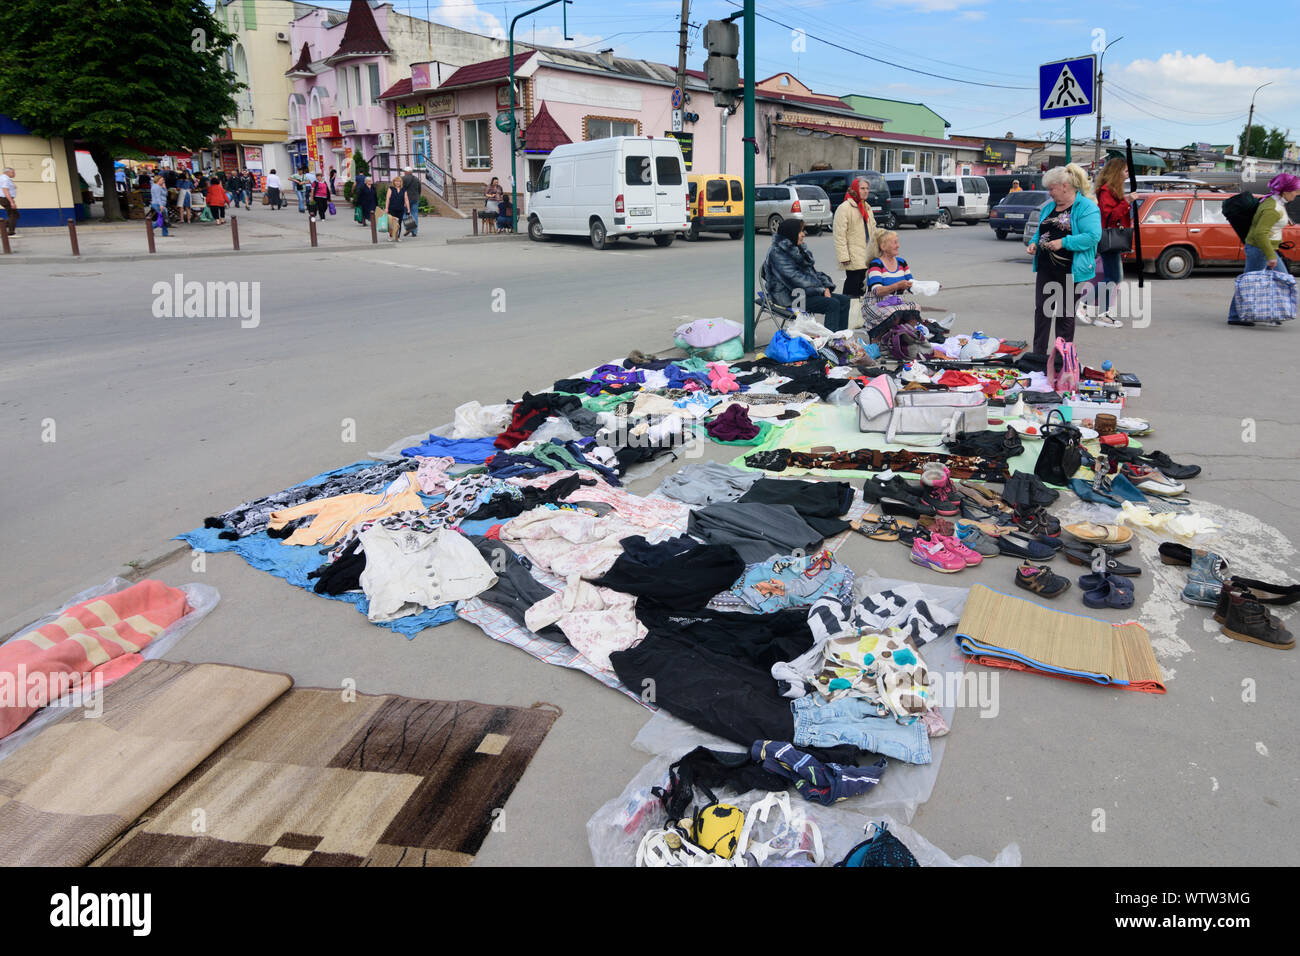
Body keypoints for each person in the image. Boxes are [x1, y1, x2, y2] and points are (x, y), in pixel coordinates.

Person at [1025, 164, 1102, 354]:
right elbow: (1041, 231)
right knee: (1042, 312)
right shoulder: (1049, 207)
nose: (1049, 193)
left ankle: (1061, 358)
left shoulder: (1085, 207)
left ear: (1065, 185)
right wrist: (1034, 243)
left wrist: (1064, 242)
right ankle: (1039, 355)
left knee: (1064, 315)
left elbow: (1093, 236)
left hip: (1071, 270)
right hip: (1046, 268)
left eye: (1052, 188)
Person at [1230, 172, 1300, 325]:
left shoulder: (1274, 202)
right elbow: (1260, 233)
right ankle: (1235, 316)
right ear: (1286, 191)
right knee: (1249, 283)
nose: (1297, 194)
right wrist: (1270, 256)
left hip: (1265, 249)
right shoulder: (1272, 207)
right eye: (1295, 191)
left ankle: (1272, 314)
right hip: (1260, 250)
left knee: (1283, 279)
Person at [764, 218, 852, 332]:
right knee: (832, 304)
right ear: (791, 233)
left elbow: (812, 273)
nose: (803, 234)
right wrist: (820, 290)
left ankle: (840, 339)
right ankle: (829, 344)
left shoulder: (797, 249)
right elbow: (794, 278)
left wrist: (825, 286)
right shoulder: (777, 252)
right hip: (789, 296)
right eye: (800, 231)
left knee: (844, 300)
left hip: (804, 292)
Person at [1093, 157, 1136, 327]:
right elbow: (1110, 216)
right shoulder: (1106, 191)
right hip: (1110, 239)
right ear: (1117, 171)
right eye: (1125, 171)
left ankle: (1103, 315)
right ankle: (1082, 302)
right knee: (1114, 277)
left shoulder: (1111, 190)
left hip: (1114, 239)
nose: (1127, 175)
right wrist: (1127, 202)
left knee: (1112, 277)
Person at [833, 176, 879, 327]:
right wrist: (843, 256)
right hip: (853, 255)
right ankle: (848, 318)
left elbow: (873, 229)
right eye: (862, 189)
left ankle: (860, 317)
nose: (866, 191)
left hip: (867, 253)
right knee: (852, 286)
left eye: (867, 189)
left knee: (864, 286)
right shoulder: (845, 207)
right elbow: (839, 235)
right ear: (855, 190)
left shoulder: (867, 207)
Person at [866, 230, 913, 298]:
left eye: (897, 242)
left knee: (916, 307)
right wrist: (897, 286)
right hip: (878, 304)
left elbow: (911, 286)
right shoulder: (876, 264)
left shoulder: (902, 262)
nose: (898, 246)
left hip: (897, 304)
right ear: (883, 246)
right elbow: (877, 292)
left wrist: (923, 286)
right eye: (895, 243)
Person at [386, 173, 409, 241]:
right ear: (394, 182)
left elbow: (406, 199)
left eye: (398, 181)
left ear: (400, 182)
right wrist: (386, 208)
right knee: (392, 223)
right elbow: (387, 199)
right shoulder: (391, 188)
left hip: (400, 209)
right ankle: (391, 236)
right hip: (392, 208)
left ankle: (397, 237)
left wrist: (408, 209)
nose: (397, 183)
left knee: (399, 223)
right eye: (396, 181)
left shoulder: (403, 189)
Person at [401, 165, 421, 237]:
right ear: (411, 172)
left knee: (404, 214)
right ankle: (414, 232)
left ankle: (408, 227)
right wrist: (418, 196)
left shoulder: (402, 179)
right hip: (415, 198)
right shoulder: (416, 179)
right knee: (414, 214)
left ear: (406, 172)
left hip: (406, 199)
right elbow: (419, 189)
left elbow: (400, 189)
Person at [0, 166, 18, 236]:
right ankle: (11, 232)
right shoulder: (5, 179)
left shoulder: (3, 178)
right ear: (7, 172)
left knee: (13, 215)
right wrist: (11, 202)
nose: (14, 174)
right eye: (13, 172)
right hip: (5, 199)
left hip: (4, 199)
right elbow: (5, 190)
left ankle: (4, 227)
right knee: (13, 215)